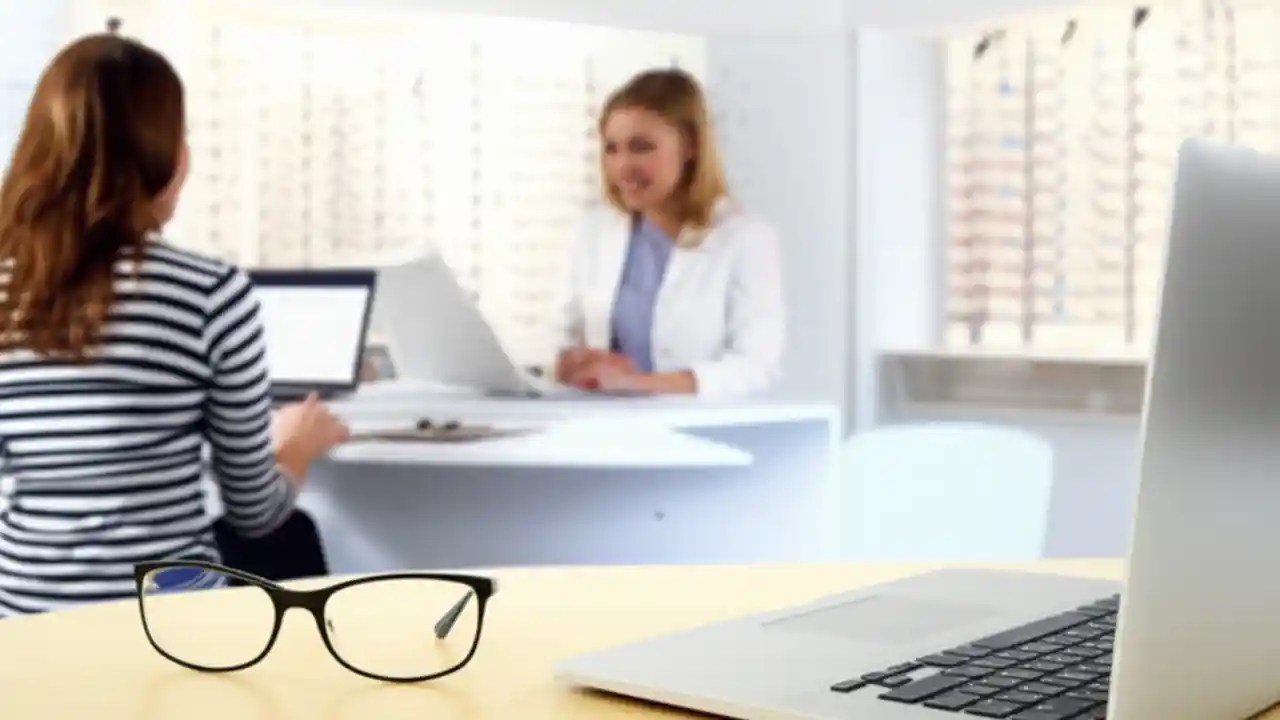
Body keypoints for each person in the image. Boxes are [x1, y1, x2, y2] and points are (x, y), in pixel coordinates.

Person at [0, 34, 349, 616]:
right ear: (169, 157)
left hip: (20, 620)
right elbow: (256, 514)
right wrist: (295, 446)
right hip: (168, 621)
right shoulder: (210, 293)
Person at [555, 69, 784, 399]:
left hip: (694, 423)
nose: (622, 166)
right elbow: (564, 338)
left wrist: (638, 383)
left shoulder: (745, 238)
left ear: (690, 146)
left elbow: (756, 365)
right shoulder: (593, 232)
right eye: (612, 148)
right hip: (603, 421)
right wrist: (574, 364)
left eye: (641, 147)